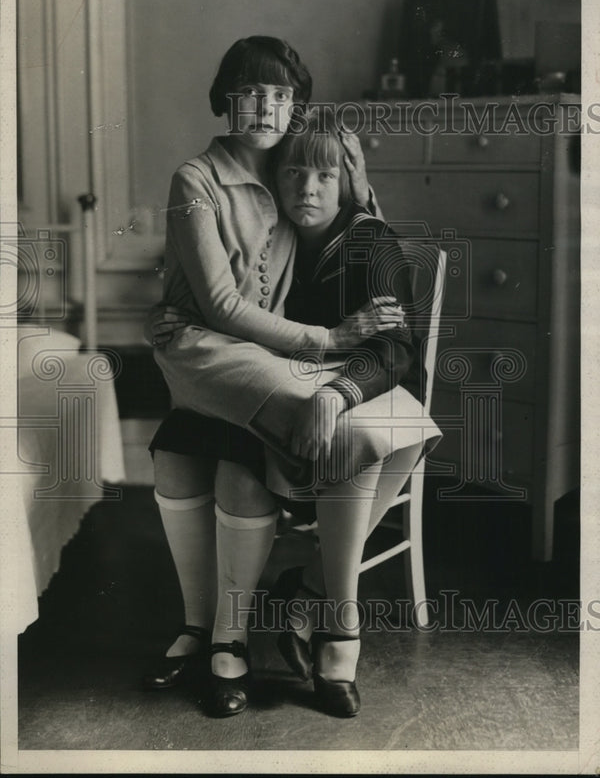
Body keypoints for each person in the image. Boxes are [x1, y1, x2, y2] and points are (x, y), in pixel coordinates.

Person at [147, 106, 441, 717]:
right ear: (274, 181)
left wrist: (337, 392)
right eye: (294, 174)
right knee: (244, 446)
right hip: (280, 391)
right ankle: (257, 618)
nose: (308, 189)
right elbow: (225, 298)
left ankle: (331, 612)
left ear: (347, 182)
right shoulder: (270, 237)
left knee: (377, 434)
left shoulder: (370, 240)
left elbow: (394, 346)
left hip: (361, 388)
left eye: (325, 177)